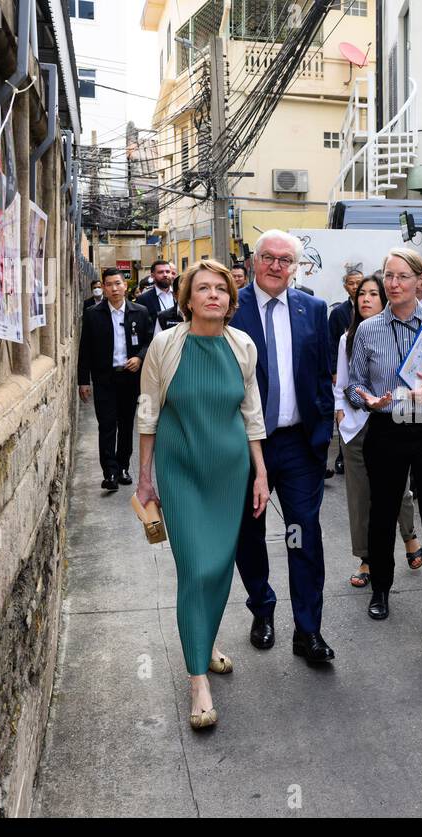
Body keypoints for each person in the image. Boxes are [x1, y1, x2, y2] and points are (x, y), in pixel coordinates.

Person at [135, 259, 269, 730]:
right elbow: (148, 411)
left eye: (222, 290)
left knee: (219, 565)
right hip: (181, 468)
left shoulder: (244, 345)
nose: (213, 295)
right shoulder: (165, 345)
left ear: (231, 302)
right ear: (187, 298)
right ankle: (198, 681)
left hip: (230, 470)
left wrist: (260, 474)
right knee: (196, 567)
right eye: (203, 288)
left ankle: (206, 640)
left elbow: (252, 414)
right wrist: (145, 475)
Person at [346, 248, 422, 667]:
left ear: (420, 280)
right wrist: (367, 399)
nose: (392, 284)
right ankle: (381, 587)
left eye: (401, 276)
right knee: (382, 515)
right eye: (388, 276)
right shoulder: (367, 330)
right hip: (387, 429)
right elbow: (353, 385)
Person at [230, 230, 336, 664]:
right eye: (269, 258)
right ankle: (263, 606)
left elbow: (322, 377)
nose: (276, 266)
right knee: (248, 533)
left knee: (303, 535)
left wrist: (322, 436)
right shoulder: (232, 308)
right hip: (243, 445)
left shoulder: (313, 309)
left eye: (285, 260)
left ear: (296, 266)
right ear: (255, 261)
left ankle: (308, 630)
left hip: (297, 446)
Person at [334, 275, 422, 588]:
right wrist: (341, 410)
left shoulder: (399, 333)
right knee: (360, 496)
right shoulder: (348, 338)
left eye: (374, 293)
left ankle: (410, 537)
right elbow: (342, 382)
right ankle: (366, 558)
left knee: (397, 489)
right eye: (362, 294)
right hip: (357, 424)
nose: (366, 299)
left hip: (392, 422)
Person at [78, 268, 153, 490]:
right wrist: (83, 381)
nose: (114, 288)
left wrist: (139, 358)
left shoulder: (139, 311)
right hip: (104, 379)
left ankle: (123, 467)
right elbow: (85, 349)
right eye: (109, 284)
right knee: (107, 425)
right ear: (103, 287)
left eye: (118, 283)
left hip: (130, 378)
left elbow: (150, 341)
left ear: (125, 286)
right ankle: (109, 472)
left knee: (126, 424)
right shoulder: (93, 313)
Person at [328, 267, 363, 477]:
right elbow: (331, 344)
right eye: (351, 283)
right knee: (343, 411)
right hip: (344, 371)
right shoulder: (338, 313)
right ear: (345, 286)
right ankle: (343, 454)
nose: (356, 287)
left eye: (359, 282)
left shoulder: (374, 309)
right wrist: (334, 371)